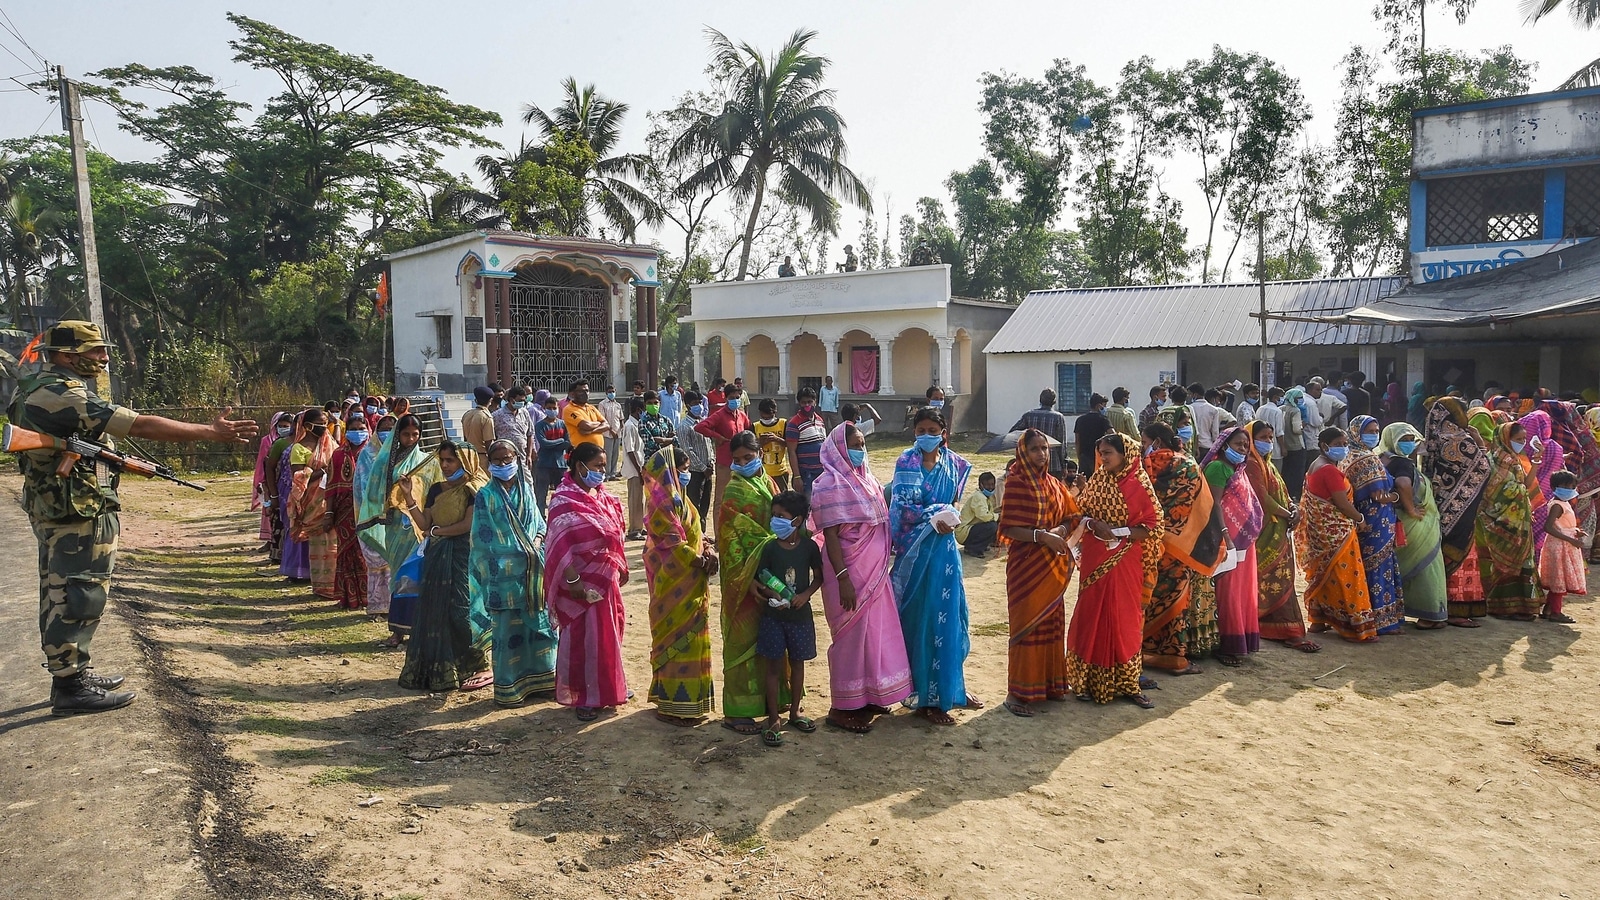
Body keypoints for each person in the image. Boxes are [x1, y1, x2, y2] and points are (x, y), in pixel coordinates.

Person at [10, 320, 258, 714]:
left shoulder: (37, 387)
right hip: (74, 509)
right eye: (95, 351)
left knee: (63, 588)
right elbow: (139, 424)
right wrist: (209, 433)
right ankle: (70, 685)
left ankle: (73, 671)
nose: (104, 358)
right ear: (66, 355)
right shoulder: (60, 394)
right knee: (77, 591)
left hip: (62, 503)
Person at [812, 422, 913, 733]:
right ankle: (841, 707)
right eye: (854, 444)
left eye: (862, 444)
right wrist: (843, 578)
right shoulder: (827, 484)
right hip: (848, 574)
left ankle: (869, 695)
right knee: (851, 637)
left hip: (875, 572)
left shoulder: (868, 480)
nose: (860, 450)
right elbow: (830, 537)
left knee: (875, 634)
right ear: (839, 449)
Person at [890, 407, 980, 724]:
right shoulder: (906, 462)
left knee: (953, 615)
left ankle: (952, 687)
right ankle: (926, 697)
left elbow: (954, 505)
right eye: (920, 430)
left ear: (943, 433)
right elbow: (902, 510)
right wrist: (935, 516)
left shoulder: (954, 464)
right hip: (917, 553)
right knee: (924, 619)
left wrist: (947, 517)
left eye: (932, 430)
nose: (925, 435)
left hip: (945, 552)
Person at [1066, 433, 1163, 707]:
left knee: (1124, 618)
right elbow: (1080, 511)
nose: (1103, 458)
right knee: (1091, 614)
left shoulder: (1139, 485)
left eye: (1108, 453)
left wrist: (1116, 532)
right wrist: (1092, 523)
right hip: (1096, 558)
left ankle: (1127, 682)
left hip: (1125, 560)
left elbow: (1153, 527)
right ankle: (1084, 680)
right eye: (1101, 453)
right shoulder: (1099, 479)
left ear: (1126, 454)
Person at [396, 442, 493, 692]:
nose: (446, 466)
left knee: (461, 611)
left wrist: (437, 532)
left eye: (451, 460)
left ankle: (478, 664)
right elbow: (423, 522)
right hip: (437, 556)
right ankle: (441, 668)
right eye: (443, 461)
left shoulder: (475, 489)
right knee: (434, 610)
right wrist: (408, 496)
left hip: (464, 555)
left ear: (466, 462)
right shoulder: (437, 489)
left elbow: (468, 525)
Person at [997, 430, 1081, 716]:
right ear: (1023, 452)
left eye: (1044, 448)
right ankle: (1016, 693)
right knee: (1025, 627)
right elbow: (1007, 528)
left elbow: (1072, 517)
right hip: (1026, 568)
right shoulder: (1016, 483)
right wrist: (1040, 536)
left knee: (1052, 624)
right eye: (1035, 449)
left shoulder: (1056, 484)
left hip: (1052, 566)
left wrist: (1058, 531)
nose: (1041, 454)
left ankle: (1050, 685)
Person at [544, 443, 630, 720]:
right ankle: (583, 696)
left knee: (609, 635)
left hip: (606, 581)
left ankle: (609, 688)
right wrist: (575, 583)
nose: (602, 472)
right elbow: (559, 546)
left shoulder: (605, 497)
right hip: (580, 585)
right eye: (597, 467)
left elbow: (616, 534)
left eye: (604, 466)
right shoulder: (563, 500)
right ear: (580, 466)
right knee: (582, 640)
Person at [472, 439, 558, 706]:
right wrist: (520, 549)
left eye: (508, 459)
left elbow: (539, 522)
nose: (503, 464)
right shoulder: (485, 496)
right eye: (497, 460)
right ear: (490, 464)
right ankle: (511, 689)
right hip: (503, 577)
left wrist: (537, 541)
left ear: (517, 460)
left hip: (533, 574)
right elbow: (483, 538)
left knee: (541, 631)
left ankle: (544, 682)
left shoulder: (527, 491)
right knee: (507, 633)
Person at [1140, 419, 1225, 675]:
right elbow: (1203, 507)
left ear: (1156, 441)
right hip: (1181, 546)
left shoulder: (1145, 465)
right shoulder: (1189, 465)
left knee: (1148, 596)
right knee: (1176, 599)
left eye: (1144, 442)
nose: (1143, 447)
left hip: (1149, 543)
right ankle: (1173, 658)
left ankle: (1141, 650)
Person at [643, 447, 719, 725]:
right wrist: (701, 561)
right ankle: (673, 706)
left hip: (693, 582)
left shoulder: (684, 501)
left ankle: (692, 702)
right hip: (673, 583)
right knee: (676, 639)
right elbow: (673, 545)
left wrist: (708, 552)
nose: (687, 474)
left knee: (694, 639)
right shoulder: (661, 505)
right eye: (683, 469)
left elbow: (697, 535)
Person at [358, 413, 442, 648]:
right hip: (396, 528)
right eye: (406, 434)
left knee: (416, 576)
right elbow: (374, 492)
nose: (411, 439)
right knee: (398, 577)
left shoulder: (427, 462)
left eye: (415, 434)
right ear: (398, 435)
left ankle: (418, 628)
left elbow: (434, 495)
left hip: (419, 528)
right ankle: (397, 631)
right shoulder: (384, 464)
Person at [717, 430, 780, 734]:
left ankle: (774, 702)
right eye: (737, 459)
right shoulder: (733, 491)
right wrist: (748, 578)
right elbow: (730, 540)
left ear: (759, 455)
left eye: (748, 457)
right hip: (744, 579)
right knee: (743, 641)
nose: (743, 463)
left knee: (773, 640)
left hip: (773, 573)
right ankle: (736, 711)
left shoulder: (768, 482)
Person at [1295, 426, 1378, 642]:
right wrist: (1360, 519)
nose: (1343, 448)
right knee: (1347, 576)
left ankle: (1319, 619)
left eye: (1345, 444)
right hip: (1337, 532)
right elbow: (1341, 503)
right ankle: (1354, 626)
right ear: (1324, 446)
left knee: (1324, 576)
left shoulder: (1315, 465)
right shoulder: (1329, 470)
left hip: (1319, 534)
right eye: (1339, 444)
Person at [754, 490, 823, 746]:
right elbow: (760, 577)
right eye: (774, 515)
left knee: (798, 664)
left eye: (780, 516)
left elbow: (818, 576)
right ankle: (773, 718)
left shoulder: (809, 546)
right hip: (773, 616)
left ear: (797, 520)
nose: (775, 521)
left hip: (800, 617)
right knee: (773, 667)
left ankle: (795, 711)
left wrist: (804, 595)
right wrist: (773, 594)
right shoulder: (770, 547)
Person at [1245, 419, 1316, 650]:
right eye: (1263, 438)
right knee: (1274, 578)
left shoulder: (1269, 464)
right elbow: (1262, 497)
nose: (1268, 442)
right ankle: (1287, 630)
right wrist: (1288, 513)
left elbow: (1282, 492)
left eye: (1270, 438)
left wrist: (1293, 509)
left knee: (1282, 578)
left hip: (1278, 528)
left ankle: (1283, 627)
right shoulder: (1251, 464)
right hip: (1264, 531)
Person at [1423, 397, 1492, 625]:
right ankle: (1456, 609)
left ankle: (1439, 608)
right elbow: (1483, 467)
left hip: (1441, 510)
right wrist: (1480, 442)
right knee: (1461, 558)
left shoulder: (1437, 438)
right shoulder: (1459, 439)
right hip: (1460, 514)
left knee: (1442, 557)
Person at [1381, 423, 1454, 628]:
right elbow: (1403, 484)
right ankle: (1430, 615)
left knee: (1404, 566)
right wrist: (1412, 509)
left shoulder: (1383, 460)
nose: (1408, 444)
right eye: (1403, 440)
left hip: (1398, 521)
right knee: (1427, 567)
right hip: (1415, 523)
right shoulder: (1401, 463)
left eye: (1410, 439)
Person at [1202, 426, 1262, 666]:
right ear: (1224, 445)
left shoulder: (1239, 470)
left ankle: (1242, 639)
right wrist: (1225, 535)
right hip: (1227, 540)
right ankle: (1227, 644)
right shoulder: (1217, 468)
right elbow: (1214, 504)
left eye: (1246, 445)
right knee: (1228, 592)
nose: (1243, 449)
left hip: (1244, 540)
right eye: (1238, 444)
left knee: (1243, 592)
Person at [1341, 415, 1404, 636]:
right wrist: (1397, 497)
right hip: (1377, 519)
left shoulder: (1349, 455)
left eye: (1377, 431)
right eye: (1370, 431)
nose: (1374, 435)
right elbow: (1379, 495)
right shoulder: (1367, 459)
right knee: (1379, 567)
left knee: (1365, 566)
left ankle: (1364, 615)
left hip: (1362, 517)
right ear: (1358, 432)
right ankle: (1382, 619)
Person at [1477, 422, 1542, 620]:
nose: (1522, 443)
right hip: (1500, 520)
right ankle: (1503, 607)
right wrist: (1519, 493)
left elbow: (1525, 485)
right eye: (1518, 440)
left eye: (1524, 439)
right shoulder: (1494, 460)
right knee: (1504, 564)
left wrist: (1536, 462)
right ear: (1505, 438)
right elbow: (1493, 492)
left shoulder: (1514, 459)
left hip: (1519, 522)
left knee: (1523, 563)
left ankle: (1523, 606)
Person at [325, 414, 370, 610]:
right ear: (346, 431)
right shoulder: (337, 455)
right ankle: (348, 597)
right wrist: (328, 513)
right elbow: (331, 487)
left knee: (366, 553)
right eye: (354, 429)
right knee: (346, 553)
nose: (358, 433)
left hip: (368, 511)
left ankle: (369, 597)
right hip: (343, 511)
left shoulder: (373, 453)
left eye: (362, 428)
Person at [356, 415, 396, 622]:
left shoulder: (402, 455)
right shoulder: (367, 455)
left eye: (392, 428)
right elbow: (363, 486)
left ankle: (395, 608)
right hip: (372, 514)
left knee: (395, 561)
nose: (387, 432)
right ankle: (377, 606)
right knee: (376, 559)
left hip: (398, 515)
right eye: (384, 428)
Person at [695, 380, 751, 519]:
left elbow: (749, 431)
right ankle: (719, 538)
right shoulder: (720, 415)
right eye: (732, 398)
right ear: (726, 398)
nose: (735, 400)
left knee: (740, 498)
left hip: (741, 463)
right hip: (725, 463)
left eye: (737, 398)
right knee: (721, 499)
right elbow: (700, 427)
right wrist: (717, 437)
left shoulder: (742, 415)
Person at [1519, 406, 1566, 563]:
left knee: (1524, 537)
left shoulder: (1521, 448)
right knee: (1541, 537)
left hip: (1524, 497)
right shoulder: (1556, 448)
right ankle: (1538, 569)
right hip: (1547, 499)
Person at [1538, 469, 1586, 624]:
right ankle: (1556, 612)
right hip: (1560, 546)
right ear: (1554, 488)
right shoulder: (1557, 505)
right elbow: (1548, 527)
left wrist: (1576, 532)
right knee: (1559, 579)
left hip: (1563, 545)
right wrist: (1570, 539)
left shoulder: (1563, 504)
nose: (1569, 490)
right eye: (1565, 486)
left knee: (1558, 579)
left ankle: (1548, 610)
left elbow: (1561, 525)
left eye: (1571, 487)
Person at [253, 411, 291, 562]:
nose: (283, 429)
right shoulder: (275, 443)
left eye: (286, 426)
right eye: (280, 426)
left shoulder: (296, 443)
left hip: (289, 487)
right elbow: (266, 465)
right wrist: (267, 487)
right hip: (275, 486)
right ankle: (275, 551)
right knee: (275, 518)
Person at [1011, 389, 1070, 477]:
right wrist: (1064, 465)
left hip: (1032, 462)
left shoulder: (1029, 415)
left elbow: (1013, 432)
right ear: (1054, 402)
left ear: (1040, 400)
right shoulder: (1058, 417)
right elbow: (1061, 444)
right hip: (1053, 464)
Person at [677, 390, 715, 521]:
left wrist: (711, 462)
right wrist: (703, 468)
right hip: (695, 471)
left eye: (700, 402)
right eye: (695, 403)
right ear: (688, 405)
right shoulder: (684, 426)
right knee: (694, 504)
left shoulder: (704, 422)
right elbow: (687, 450)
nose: (699, 406)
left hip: (708, 470)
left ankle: (702, 533)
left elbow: (709, 444)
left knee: (705, 504)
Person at [785, 386, 828, 496]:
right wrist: (797, 476)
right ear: (799, 403)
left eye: (810, 401)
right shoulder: (794, 423)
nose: (807, 405)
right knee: (807, 507)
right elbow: (791, 452)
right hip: (806, 475)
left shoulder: (820, 420)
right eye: (804, 402)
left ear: (815, 402)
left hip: (822, 473)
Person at [620, 397, 648, 540]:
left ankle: (640, 526)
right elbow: (630, 450)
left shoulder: (639, 424)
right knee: (634, 500)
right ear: (639, 410)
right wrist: (638, 470)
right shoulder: (630, 425)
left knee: (641, 500)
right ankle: (633, 530)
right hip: (634, 469)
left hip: (640, 467)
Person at [956, 471, 1001, 556]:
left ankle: (980, 545)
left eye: (992, 484)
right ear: (981, 485)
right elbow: (984, 516)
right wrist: (998, 516)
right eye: (987, 485)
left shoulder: (986, 497)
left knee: (995, 522)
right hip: (964, 532)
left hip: (971, 528)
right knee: (992, 526)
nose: (991, 487)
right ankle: (973, 548)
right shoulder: (978, 497)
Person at [562, 380, 610, 454]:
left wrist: (591, 431)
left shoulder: (591, 408)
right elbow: (586, 426)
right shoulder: (569, 409)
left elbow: (607, 425)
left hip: (598, 451)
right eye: (581, 391)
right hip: (582, 453)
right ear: (572, 394)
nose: (585, 394)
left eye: (587, 391)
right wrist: (599, 423)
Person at [753, 398, 791, 492]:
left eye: (769, 417)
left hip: (780, 471)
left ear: (775, 412)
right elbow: (751, 448)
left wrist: (776, 439)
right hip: (762, 472)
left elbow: (790, 444)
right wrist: (760, 442)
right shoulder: (755, 426)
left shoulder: (783, 423)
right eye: (764, 417)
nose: (766, 420)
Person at [1280, 387, 1311, 498]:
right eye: (1299, 398)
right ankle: (1296, 494)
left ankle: (1286, 493)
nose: (1301, 400)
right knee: (1297, 472)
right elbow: (1296, 429)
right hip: (1296, 445)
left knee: (1286, 471)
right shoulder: (1295, 410)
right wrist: (1302, 425)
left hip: (1284, 444)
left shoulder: (1281, 408)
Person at [1072, 393, 1112, 477]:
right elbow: (1112, 434)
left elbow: (1077, 441)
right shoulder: (1103, 419)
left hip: (1084, 456)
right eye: (1103, 406)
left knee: (1084, 483)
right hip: (1099, 455)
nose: (1104, 408)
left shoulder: (1080, 420)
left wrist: (1079, 456)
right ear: (1098, 406)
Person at [493, 386, 535, 461]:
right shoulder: (497, 415)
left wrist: (529, 455)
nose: (522, 403)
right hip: (505, 459)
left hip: (522, 457)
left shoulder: (524, 413)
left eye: (523, 401)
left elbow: (530, 434)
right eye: (520, 400)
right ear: (512, 400)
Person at [1191, 388, 1234, 458]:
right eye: (1217, 399)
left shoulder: (1190, 407)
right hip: (1207, 444)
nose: (1219, 402)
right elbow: (1215, 431)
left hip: (1193, 445)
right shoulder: (1215, 410)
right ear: (1213, 399)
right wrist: (1216, 445)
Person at [639, 390, 677, 459]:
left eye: (655, 402)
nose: (653, 405)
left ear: (660, 403)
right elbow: (650, 445)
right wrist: (668, 439)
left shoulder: (666, 420)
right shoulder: (643, 422)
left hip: (669, 459)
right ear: (645, 404)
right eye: (650, 403)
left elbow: (676, 441)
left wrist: (661, 440)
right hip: (652, 461)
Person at [598, 385, 625, 479]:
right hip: (607, 433)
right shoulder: (602, 404)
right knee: (607, 454)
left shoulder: (618, 405)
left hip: (618, 434)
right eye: (610, 392)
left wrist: (621, 429)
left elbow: (621, 419)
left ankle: (613, 473)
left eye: (613, 391)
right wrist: (611, 431)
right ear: (606, 393)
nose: (612, 393)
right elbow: (603, 419)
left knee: (615, 454)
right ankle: (606, 474)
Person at [461, 385, 497, 455]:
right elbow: (488, 442)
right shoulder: (486, 417)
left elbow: (465, 439)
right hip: (482, 456)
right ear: (491, 400)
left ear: (476, 400)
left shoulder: (467, 414)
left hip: (469, 455)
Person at [1256, 386, 1285, 470]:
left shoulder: (1260, 409)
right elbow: (1279, 432)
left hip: (1260, 446)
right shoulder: (1277, 411)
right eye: (1281, 396)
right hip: (1274, 448)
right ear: (1275, 397)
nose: (1283, 399)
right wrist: (1283, 447)